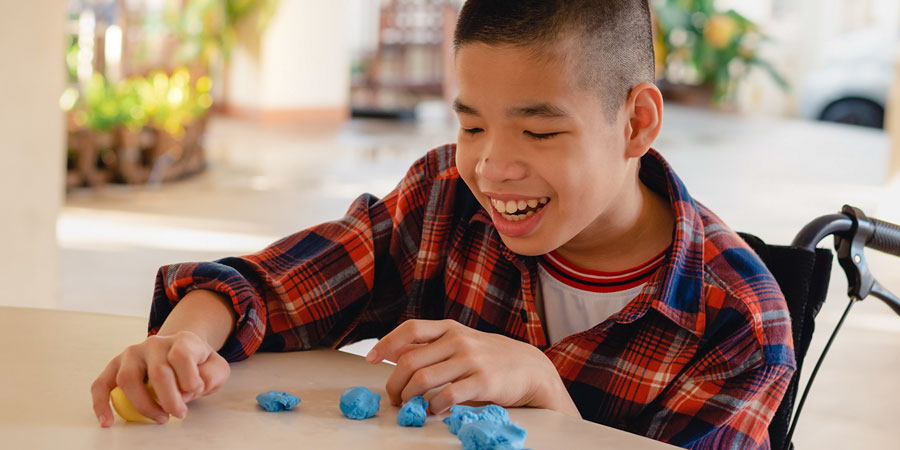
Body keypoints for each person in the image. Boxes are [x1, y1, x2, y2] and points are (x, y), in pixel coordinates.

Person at [90, 0, 795, 447]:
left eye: (540, 133)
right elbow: (272, 288)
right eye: (472, 123)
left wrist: (546, 393)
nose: (492, 167)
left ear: (635, 122)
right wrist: (183, 343)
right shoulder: (445, 200)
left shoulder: (741, 324)